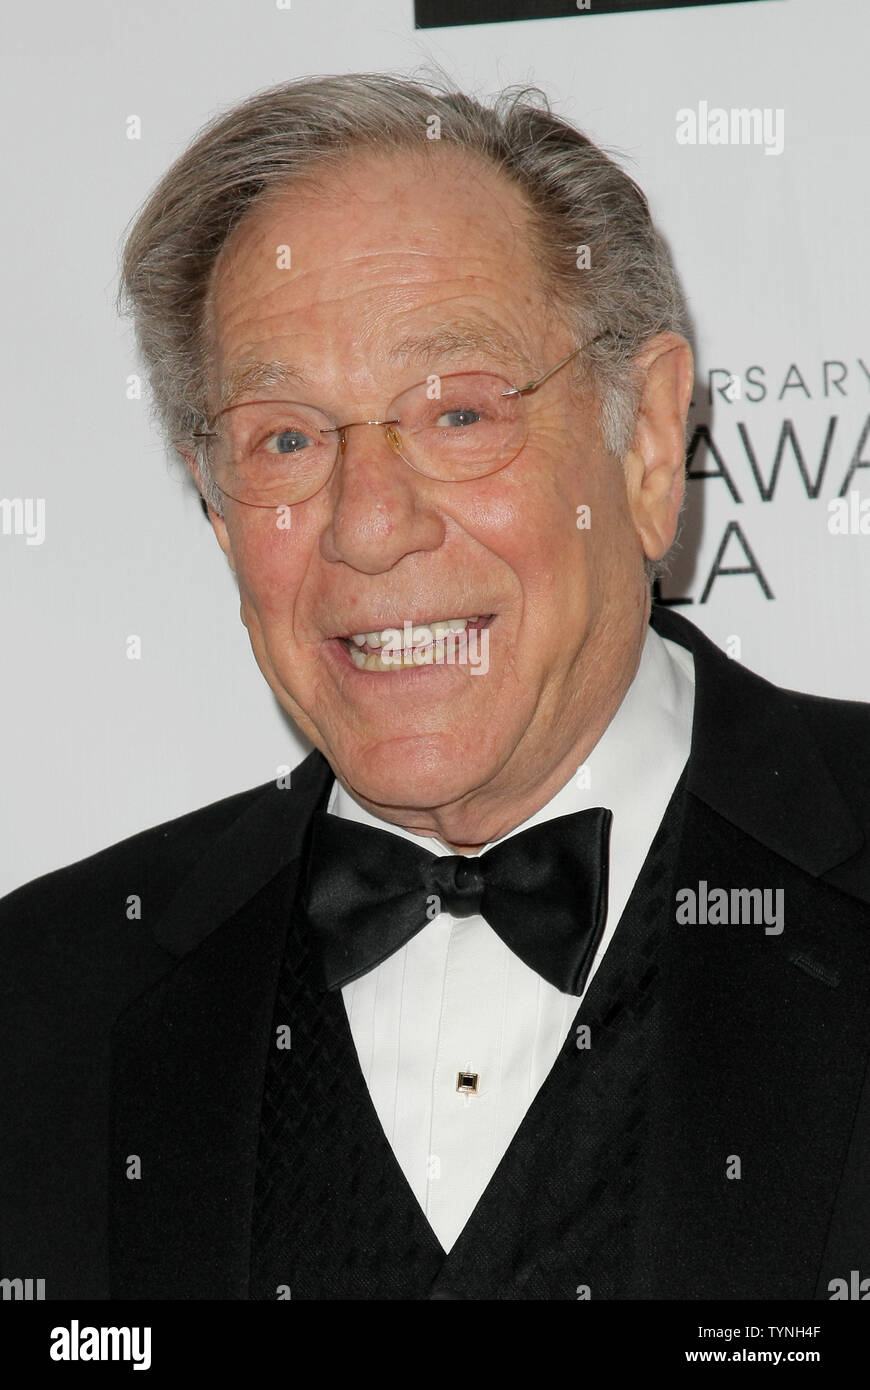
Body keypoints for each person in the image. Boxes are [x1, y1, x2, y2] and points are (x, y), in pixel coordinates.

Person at [1, 72, 868, 1302]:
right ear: (216, 506)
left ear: (650, 441)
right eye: (287, 438)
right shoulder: (41, 1007)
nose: (367, 525)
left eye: (459, 414)